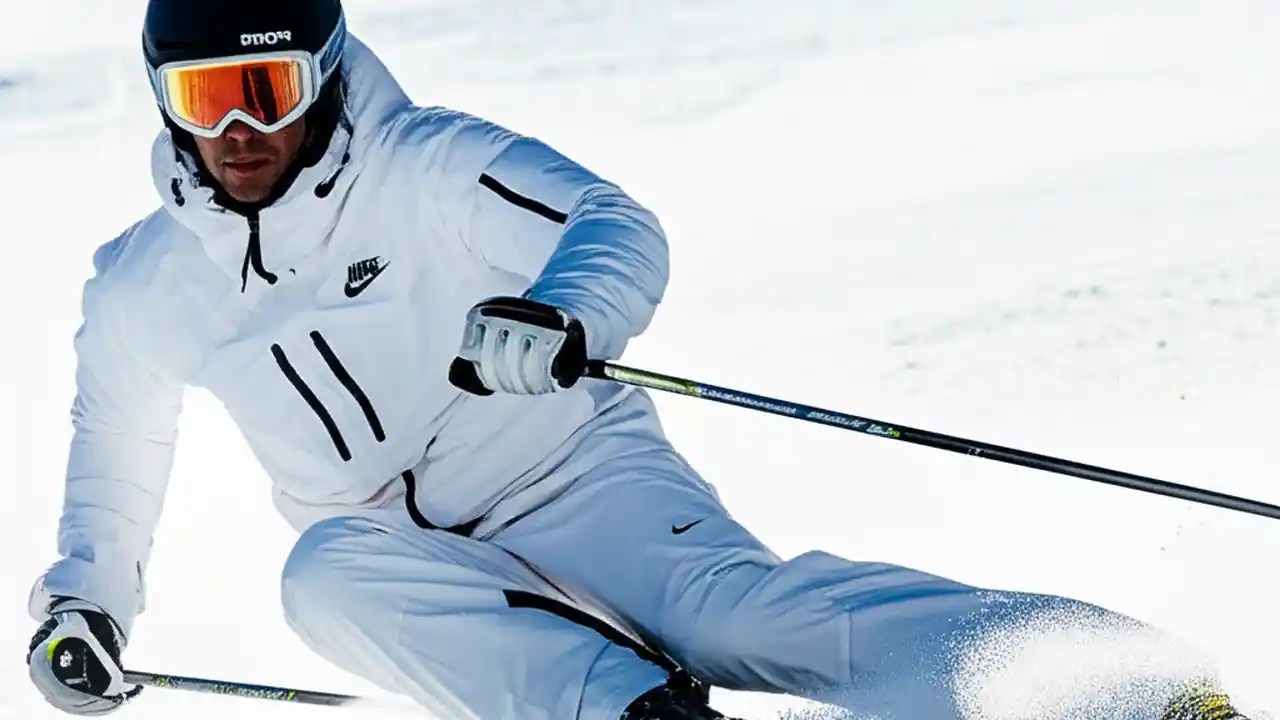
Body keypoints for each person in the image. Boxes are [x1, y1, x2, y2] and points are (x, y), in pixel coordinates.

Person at [23, 1, 1255, 719]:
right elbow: (115, 451)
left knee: (739, 615)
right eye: (204, 97)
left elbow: (610, 225)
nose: (240, 129)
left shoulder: (428, 165)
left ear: (323, 77)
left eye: (266, 85)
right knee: (320, 576)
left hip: (574, 476)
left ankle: (1114, 690)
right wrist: (85, 605)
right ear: (162, 102)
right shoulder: (147, 283)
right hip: (408, 565)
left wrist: (565, 318)